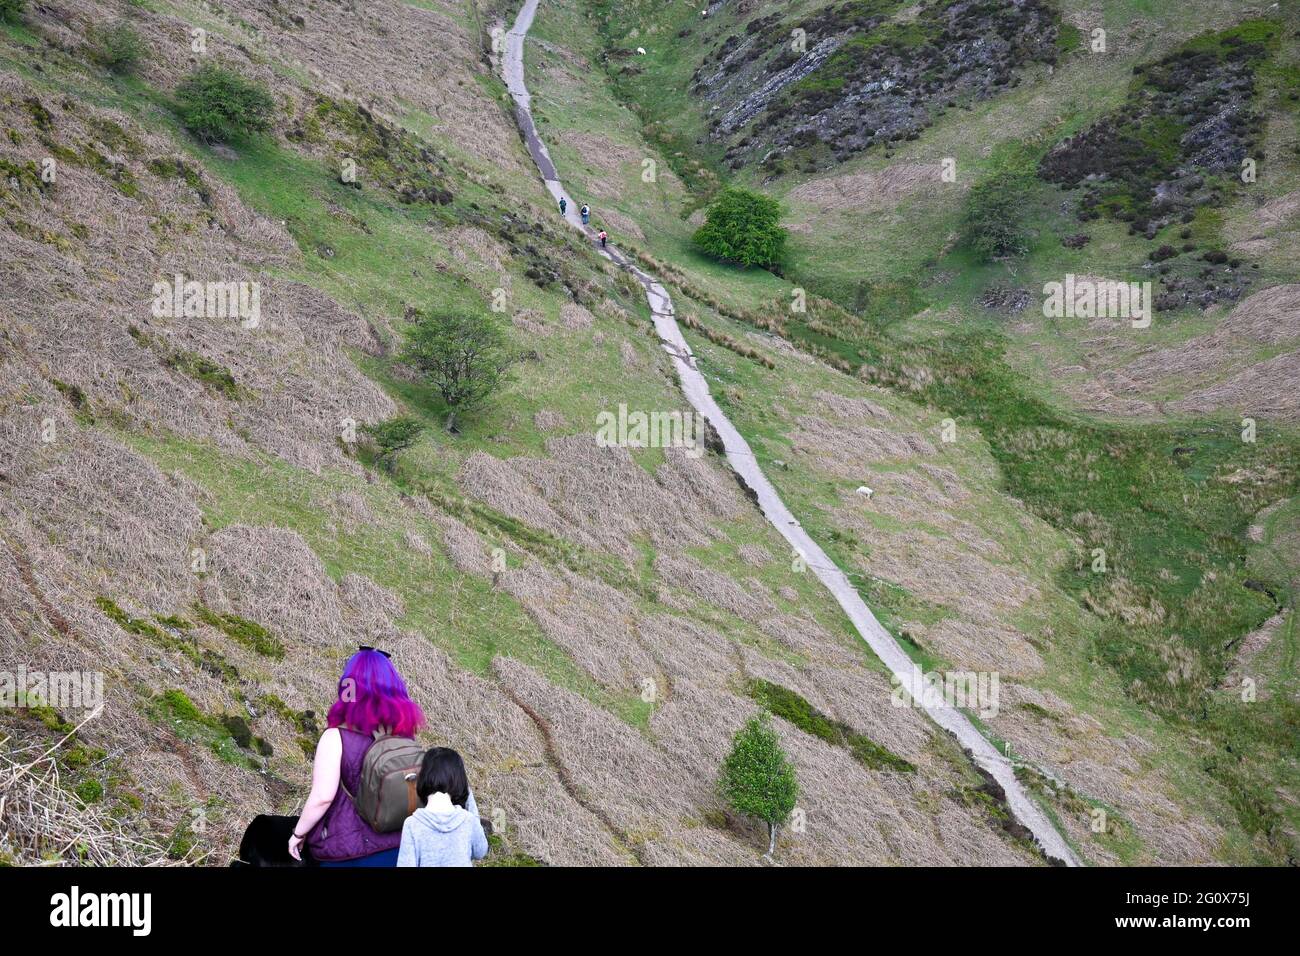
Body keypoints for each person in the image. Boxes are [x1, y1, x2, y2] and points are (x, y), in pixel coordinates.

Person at [288, 647, 425, 867]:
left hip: (347, 853)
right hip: (400, 849)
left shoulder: (336, 737)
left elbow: (322, 797)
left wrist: (298, 834)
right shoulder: (404, 735)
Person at [396, 748, 489, 867]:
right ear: (459, 780)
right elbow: (480, 851)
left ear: (423, 777)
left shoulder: (412, 824)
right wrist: (469, 798)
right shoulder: (468, 820)